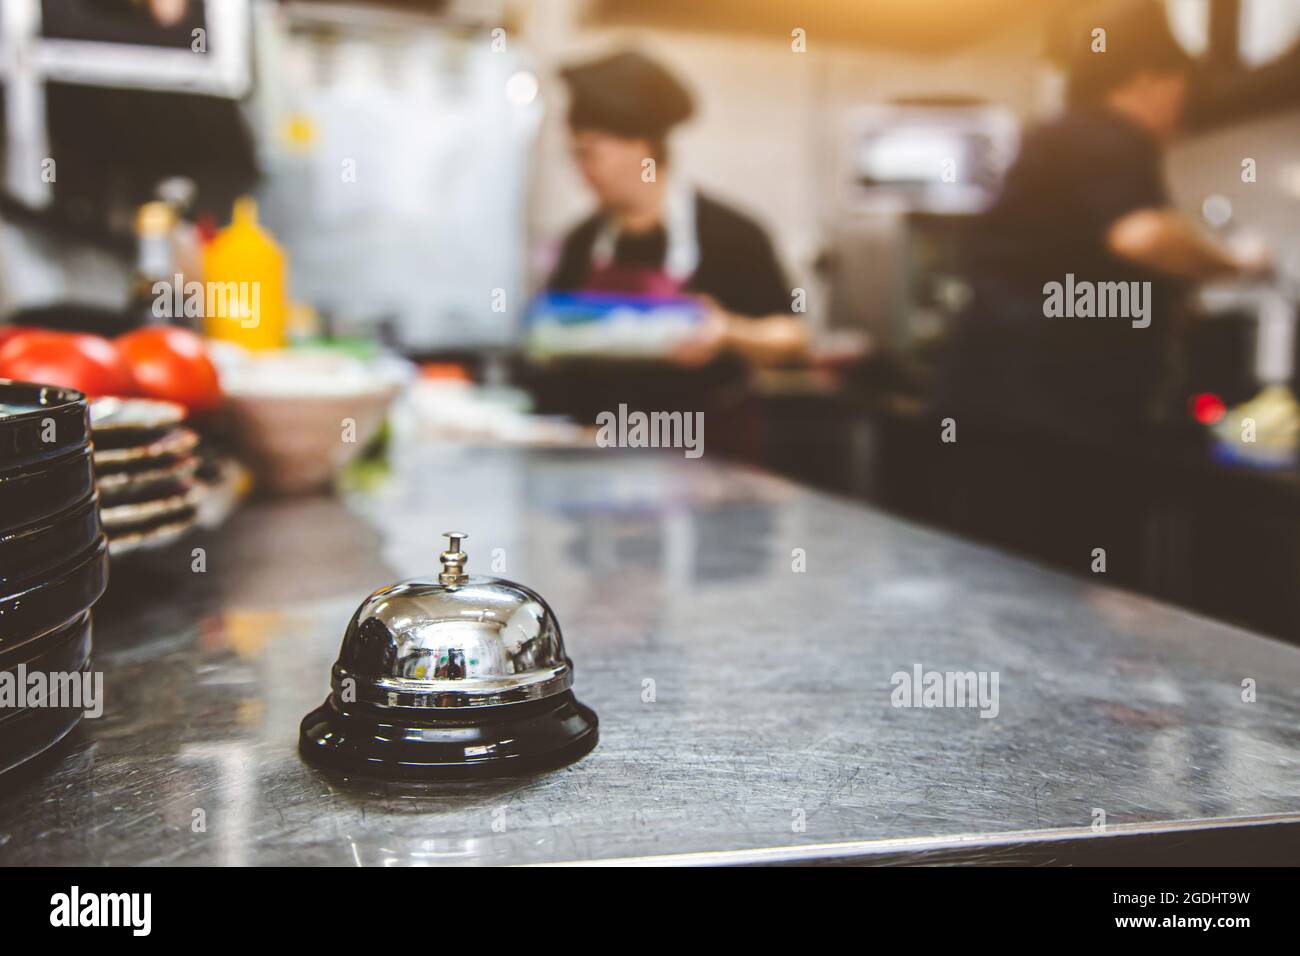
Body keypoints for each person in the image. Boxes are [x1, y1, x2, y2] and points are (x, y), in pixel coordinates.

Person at [937, 1, 1269, 441]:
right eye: (1180, 88)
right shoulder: (1109, 134)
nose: (1181, 107)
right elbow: (1143, 237)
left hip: (999, 397)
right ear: (1147, 77)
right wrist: (1239, 263)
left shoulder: (1065, 133)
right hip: (1045, 410)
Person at [531, 51, 807, 451]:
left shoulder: (730, 233)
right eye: (574, 154)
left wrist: (728, 330)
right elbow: (551, 348)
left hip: (707, 462)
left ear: (641, 147)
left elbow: (795, 337)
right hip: (600, 461)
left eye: (590, 152)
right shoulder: (581, 241)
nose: (581, 168)